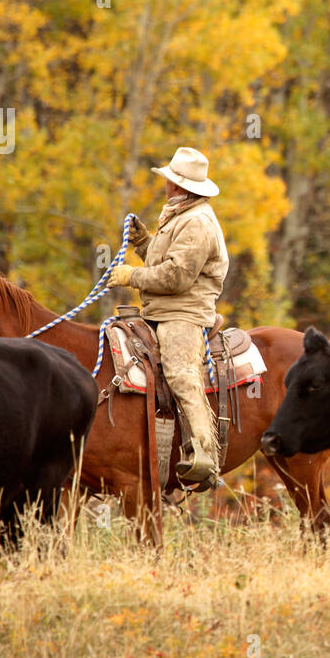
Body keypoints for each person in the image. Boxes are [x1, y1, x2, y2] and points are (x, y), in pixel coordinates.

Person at [108, 147, 229, 488]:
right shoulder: (180, 215)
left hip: (184, 313)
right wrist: (145, 243)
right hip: (160, 309)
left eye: (169, 181)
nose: (166, 186)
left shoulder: (197, 222)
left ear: (179, 186)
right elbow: (167, 262)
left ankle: (204, 455)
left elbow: (177, 277)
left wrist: (131, 277)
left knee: (180, 372)